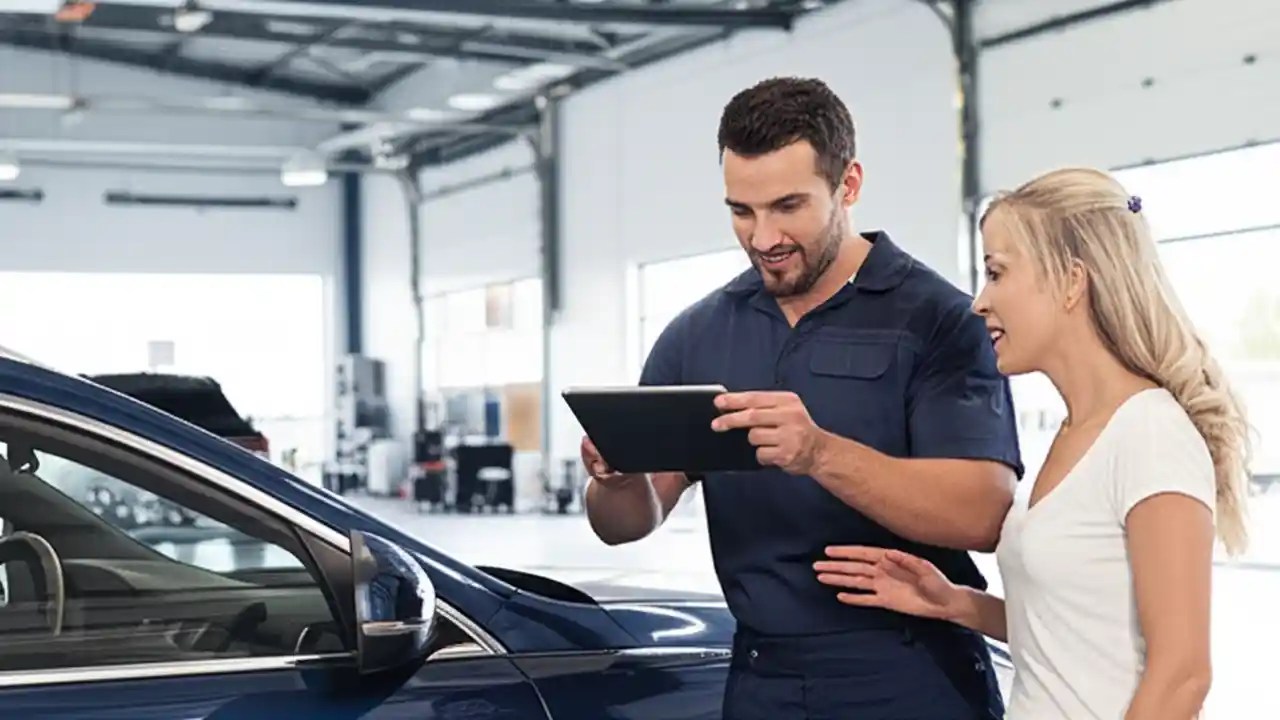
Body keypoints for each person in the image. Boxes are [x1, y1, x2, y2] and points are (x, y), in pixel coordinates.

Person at [582, 76, 1023, 719]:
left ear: (849, 185)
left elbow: (982, 514)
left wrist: (820, 454)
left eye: (788, 206)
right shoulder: (697, 335)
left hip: (912, 674)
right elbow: (625, 525)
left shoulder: (939, 320)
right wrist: (618, 481)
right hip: (762, 678)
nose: (763, 237)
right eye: (742, 211)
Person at [814, 167, 1251, 719]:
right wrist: (958, 605)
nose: (980, 302)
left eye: (997, 273)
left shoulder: (1150, 434)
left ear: (1072, 281)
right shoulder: (1075, 434)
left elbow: (1182, 676)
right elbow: (1074, 632)